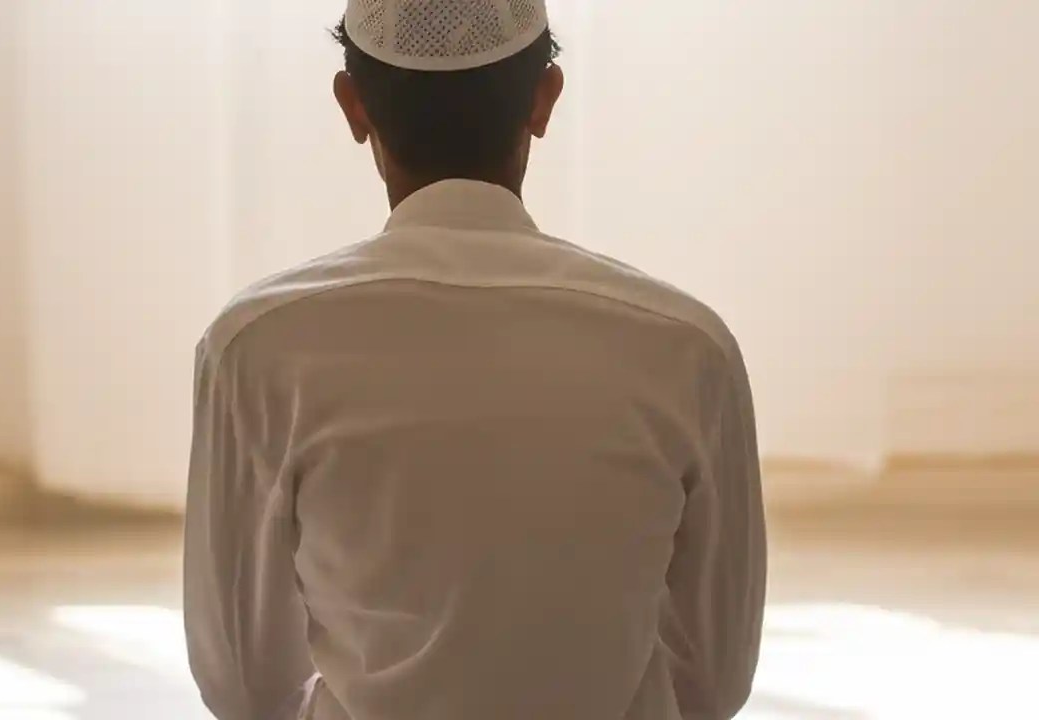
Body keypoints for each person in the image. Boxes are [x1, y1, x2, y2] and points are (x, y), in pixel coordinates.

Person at [184, 2, 766, 718]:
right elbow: (713, 681)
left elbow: (245, 688)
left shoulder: (258, 346)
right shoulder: (685, 345)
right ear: (545, 98)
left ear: (353, 104)